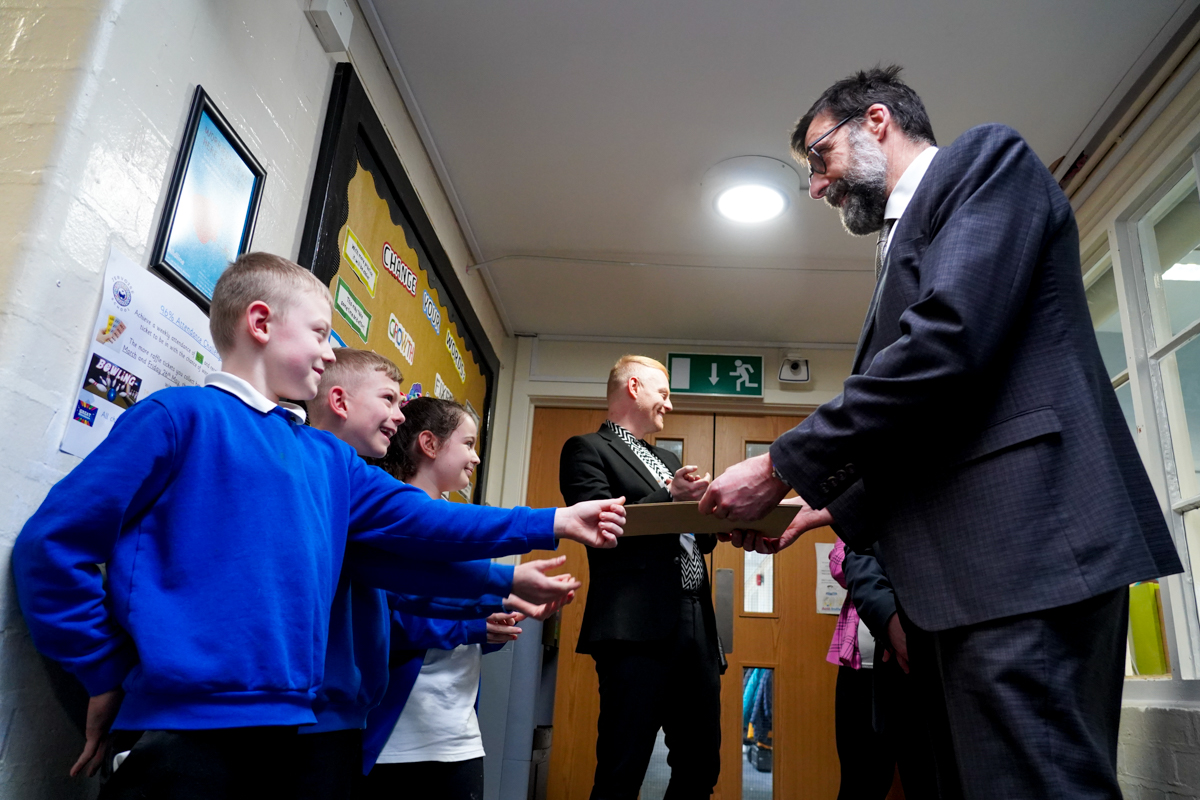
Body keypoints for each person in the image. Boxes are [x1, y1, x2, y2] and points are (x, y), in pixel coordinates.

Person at [700, 66, 1183, 799]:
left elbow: (946, 346)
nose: (817, 188)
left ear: (877, 120)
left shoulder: (984, 162)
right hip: (977, 576)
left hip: (1025, 559)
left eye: (818, 158)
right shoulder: (898, 243)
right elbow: (937, 425)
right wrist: (820, 512)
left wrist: (779, 466)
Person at [12, 252, 625, 798]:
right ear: (260, 324)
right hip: (184, 728)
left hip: (291, 729)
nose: (331, 352)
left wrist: (549, 522)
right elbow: (51, 547)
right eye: (321, 333)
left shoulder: (328, 458)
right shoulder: (179, 418)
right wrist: (102, 669)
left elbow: (418, 528)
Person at [295, 350, 573, 799]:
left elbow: (424, 585)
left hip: (417, 726)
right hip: (376, 730)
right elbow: (404, 601)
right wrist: (548, 529)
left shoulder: (363, 488)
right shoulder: (356, 490)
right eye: (467, 444)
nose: (394, 415)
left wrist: (500, 602)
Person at [358, 396, 559, 799]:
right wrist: (473, 626)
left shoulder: (466, 532)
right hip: (396, 741)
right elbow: (391, 621)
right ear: (429, 445)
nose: (476, 458)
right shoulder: (383, 522)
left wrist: (496, 625)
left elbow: (462, 630)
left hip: (458, 736)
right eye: (468, 444)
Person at [560, 355, 721, 800]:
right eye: (663, 394)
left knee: (702, 765)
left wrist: (706, 512)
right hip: (634, 629)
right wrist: (670, 495)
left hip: (697, 625)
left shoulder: (668, 458)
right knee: (621, 769)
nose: (668, 406)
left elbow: (696, 544)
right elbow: (600, 527)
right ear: (633, 387)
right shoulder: (585, 449)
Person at [828, 538, 934, 799]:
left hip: (917, 666)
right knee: (860, 781)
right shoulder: (859, 516)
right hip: (858, 669)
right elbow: (840, 564)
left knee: (926, 778)